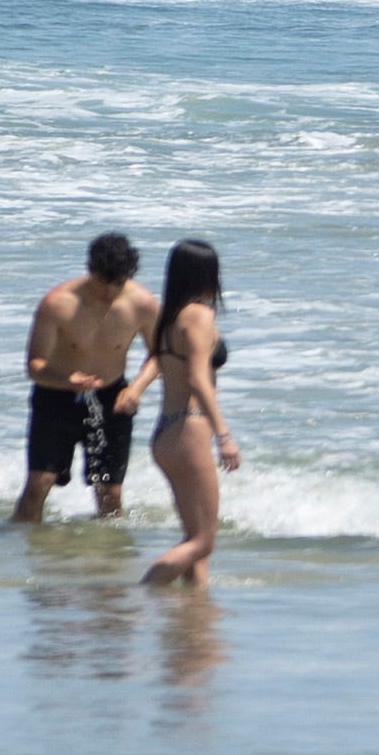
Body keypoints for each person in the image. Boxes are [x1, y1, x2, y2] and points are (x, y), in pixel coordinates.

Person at [13, 232, 162, 524]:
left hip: (112, 398)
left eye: (117, 284)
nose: (108, 294)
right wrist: (68, 380)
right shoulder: (58, 303)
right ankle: (20, 550)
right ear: (90, 270)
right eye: (102, 284)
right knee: (38, 485)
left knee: (110, 494)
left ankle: (106, 561)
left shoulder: (142, 304)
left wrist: (136, 389)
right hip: (56, 397)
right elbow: (34, 365)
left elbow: (159, 353)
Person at [137, 237, 241, 590]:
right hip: (189, 431)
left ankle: (195, 609)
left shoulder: (170, 317)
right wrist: (224, 434)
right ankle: (137, 597)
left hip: (167, 433)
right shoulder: (198, 316)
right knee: (203, 541)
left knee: (194, 539)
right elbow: (198, 378)